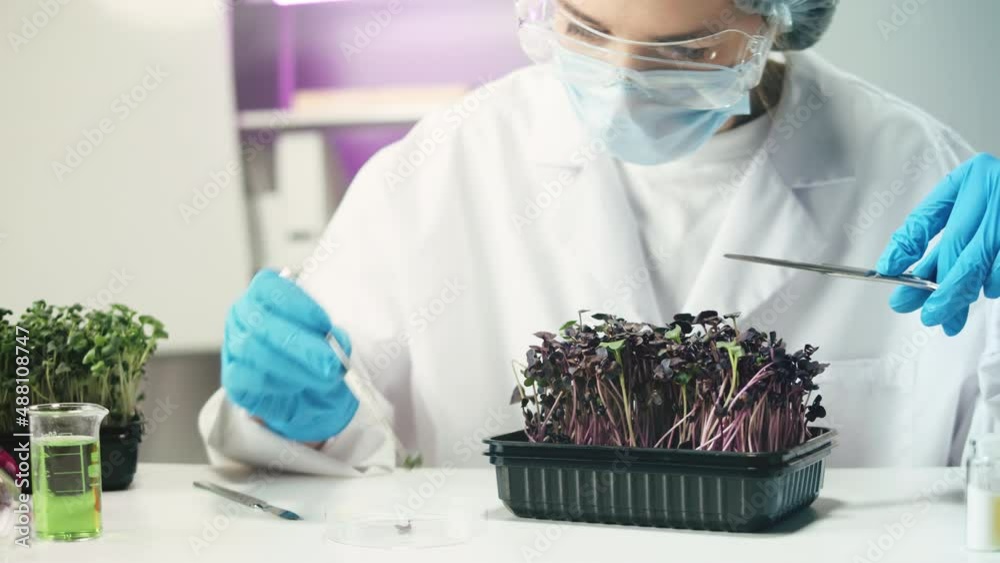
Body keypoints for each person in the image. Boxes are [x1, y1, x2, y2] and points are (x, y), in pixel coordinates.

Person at [199, 0, 1000, 473]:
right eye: (583, 29)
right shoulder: (443, 171)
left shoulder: (913, 173)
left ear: (775, 22)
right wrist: (285, 413)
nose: (619, 82)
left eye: (679, 52)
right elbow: (322, 454)